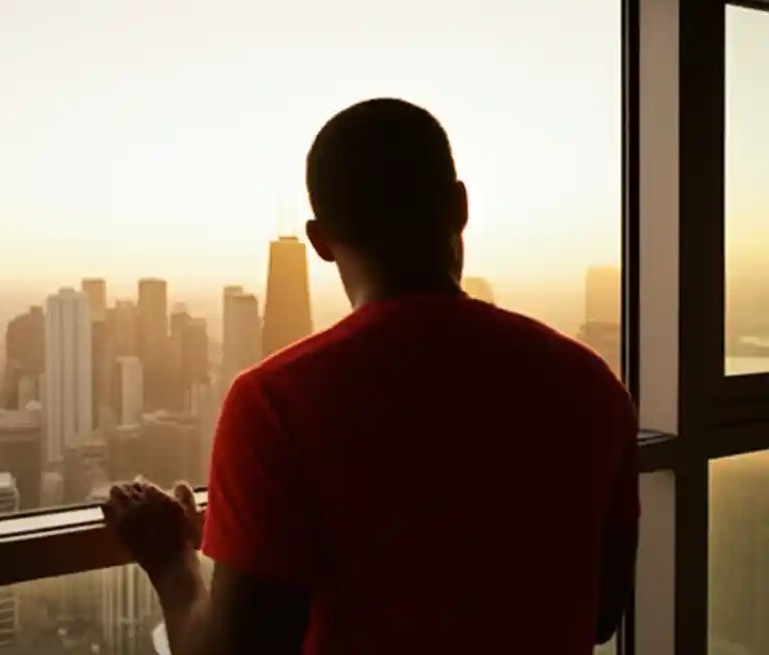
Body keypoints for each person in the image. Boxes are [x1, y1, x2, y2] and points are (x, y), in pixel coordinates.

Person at [102, 98, 638, 654]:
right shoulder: (591, 386)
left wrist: (170, 561)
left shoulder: (277, 404)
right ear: (460, 206)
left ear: (320, 242)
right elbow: (601, 614)